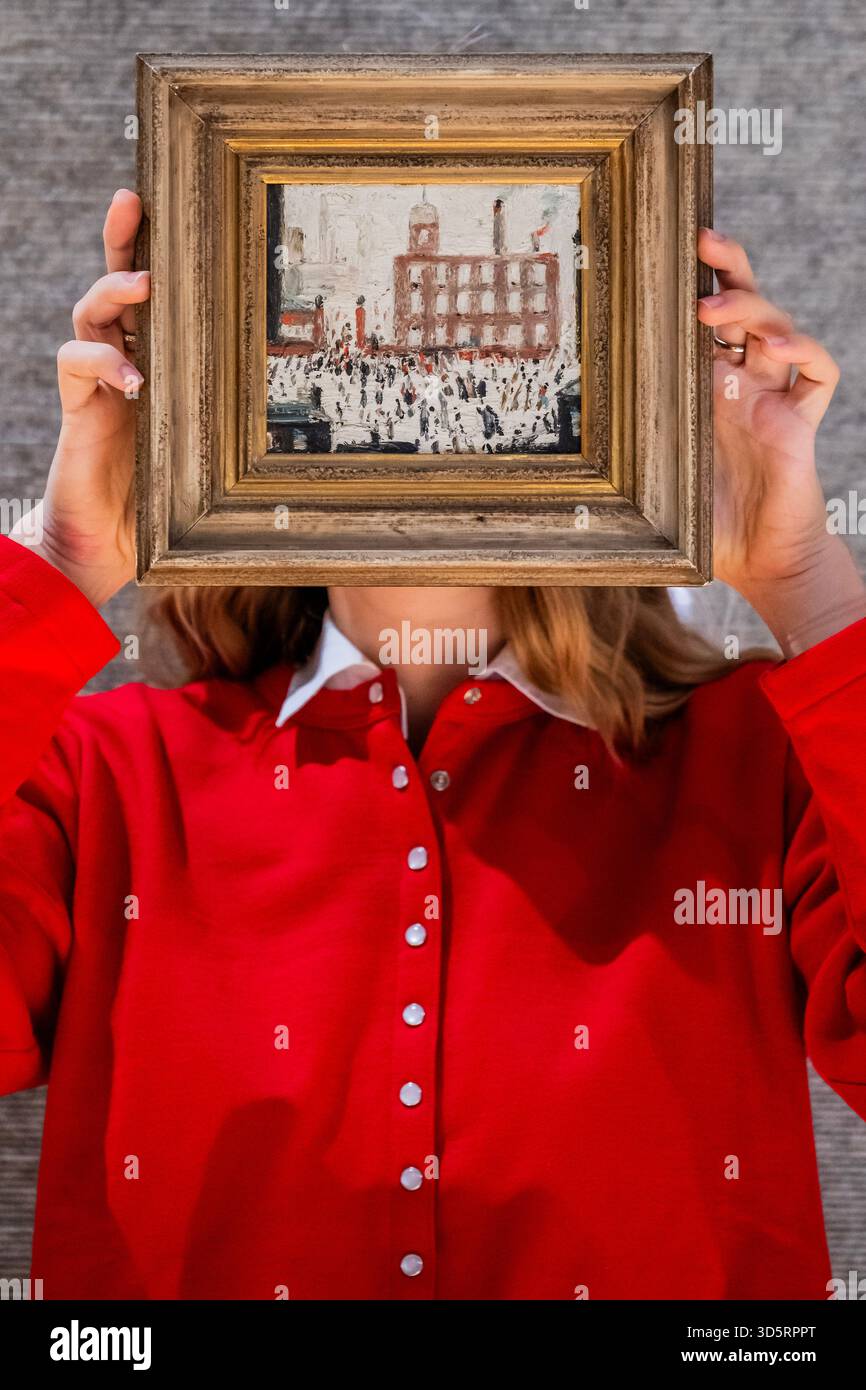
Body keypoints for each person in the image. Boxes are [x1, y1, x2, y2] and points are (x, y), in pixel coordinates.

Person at [2, 189, 866, 1301]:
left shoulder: (756, 761)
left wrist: (804, 581)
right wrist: (64, 556)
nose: (414, 373)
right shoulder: (104, 775)